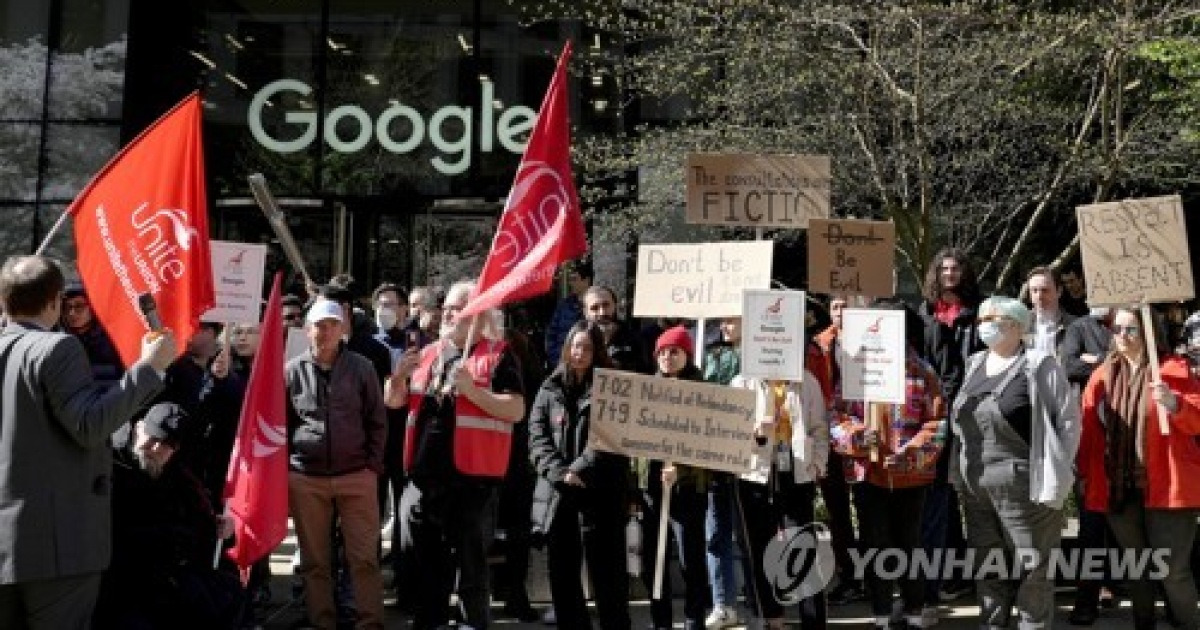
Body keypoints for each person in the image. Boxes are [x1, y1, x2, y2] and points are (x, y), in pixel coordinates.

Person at [0, 255, 175, 629]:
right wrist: (150, 367)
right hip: (55, 546)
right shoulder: (57, 348)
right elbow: (89, 424)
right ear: (55, 301)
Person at [389, 280, 526, 630]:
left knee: (472, 570)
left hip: (472, 482)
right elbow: (394, 402)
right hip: (424, 479)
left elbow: (516, 409)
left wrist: (472, 392)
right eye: (446, 308)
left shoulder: (498, 354)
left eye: (458, 308)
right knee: (425, 565)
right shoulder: (429, 352)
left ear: (479, 317)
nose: (449, 314)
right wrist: (397, 380)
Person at [950, 296, 1080, 629]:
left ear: (1016, 325)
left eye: (990, 319)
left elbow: (1068, 421)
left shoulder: (1039, 364)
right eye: (980, 320)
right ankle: (992, 622)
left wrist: (1059, 473)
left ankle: (1032, 624)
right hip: (975, 486)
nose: (982, 326)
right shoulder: (974, 363)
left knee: (1033, 565)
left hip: (1025, 482)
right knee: (987, 561)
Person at [1077, 307, 1200, 630]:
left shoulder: (1173, 368)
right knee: (1137, 568)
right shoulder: (1101, 376)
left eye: (1131, 329)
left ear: (1147, 331)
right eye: (1117, 329)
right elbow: (1088, 432)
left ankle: (1187, 622)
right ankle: (1143, 623)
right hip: (1118, 486)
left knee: (1173, 570)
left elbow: (1197, 419)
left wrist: (1175, 404)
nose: (1122, 336)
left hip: (1168, 486)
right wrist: (1084, 475)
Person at [829, 299, 946, 629]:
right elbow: (836, 415)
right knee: (875, 542)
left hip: (912, 476)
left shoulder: (923, 372)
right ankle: (881, 614)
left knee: (910, 542)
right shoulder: (855, 372)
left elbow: (937, 422)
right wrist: (856, 437)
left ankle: (915, 611)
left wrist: (911, 451)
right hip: (869, 473)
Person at [286, 297, 388, 630]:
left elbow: (377, 419)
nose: (326, 332)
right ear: (307, 329)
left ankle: (369, 622)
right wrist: (291, 468)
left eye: (332, 325)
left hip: (356, 475)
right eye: (319, 325)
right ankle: (322, 622)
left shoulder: (362, 367)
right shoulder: (291, 371)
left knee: (363, 559)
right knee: (316, 562)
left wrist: (371, 467)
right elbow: (283, 425)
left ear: (343, 329)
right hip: (307, 477)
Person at [95, 402, 241, 629]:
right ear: (139, 428)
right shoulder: (106, 461)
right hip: (116, 580)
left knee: (225, 596)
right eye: (153, 438)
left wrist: (221, 528)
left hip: (165, 575)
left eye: (166, 445)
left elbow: (201, 521)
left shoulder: (178, 473)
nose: (155, 448)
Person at [529, 321, 631, 630]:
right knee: (562, 572)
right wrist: (560, 471)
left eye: (587, 347)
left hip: (600, 494)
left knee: (608, 575)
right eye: (575, 346)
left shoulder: (613, 387)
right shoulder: (549, 388)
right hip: (559, 495)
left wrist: (580, 468)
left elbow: (611, 437)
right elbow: (536, 437)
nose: (580, 353)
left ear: (597, 351)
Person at [730, 338, 829, 630]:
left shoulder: (807, 382)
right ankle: (770, 619)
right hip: (755, 475)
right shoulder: (743, 383)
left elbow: (819, 428)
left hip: (796, 473)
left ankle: (813, 621)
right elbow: (731, 434)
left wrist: (817, 463)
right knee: (758, 548)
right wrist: (756, 432)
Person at [917, 248, 981, 606]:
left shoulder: (977, 313)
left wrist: (951, 402)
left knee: (965, 489)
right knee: (941, 491)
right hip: (932, 413)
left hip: (966, 406)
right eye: (943, 268)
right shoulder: (924, 313)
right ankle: (952, 572)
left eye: (956, 268)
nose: (950, 274)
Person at [639, 326, 712, 630]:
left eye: (674, 351)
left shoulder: (703, 392)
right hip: (652, 489)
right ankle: (661, 622)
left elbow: (709, 443)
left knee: (690, 559)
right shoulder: (646, 390)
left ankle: (694, 618)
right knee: (652, 561)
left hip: (687, 490)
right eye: (663, 352)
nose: (667, 357)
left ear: (687, 355)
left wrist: (681, 470)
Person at [1061, 307, 1118, 625]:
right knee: (1092, 526)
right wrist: (1103, 361)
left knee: (1139, 529)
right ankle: (1087, 599)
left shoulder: (1146, 323)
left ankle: (1149, 602)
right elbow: (1068, 365)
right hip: (1094, 441)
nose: (1125, 335)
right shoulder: (1080, 327)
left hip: (1135, 446)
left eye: (1131, 331)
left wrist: (1091, 358)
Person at [812, 295, 866, 606]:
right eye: (835, 306)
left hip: (864, 436)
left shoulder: (874, 338)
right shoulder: (818, 345)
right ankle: (849, 576)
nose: (840, 311)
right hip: (830, 436)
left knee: (868, 508)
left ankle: (874, 576)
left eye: (846, 305)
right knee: (838, 512)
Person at [702, 316, 742, 629]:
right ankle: (722, 602)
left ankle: (757, 604)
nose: (725, 326)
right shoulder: (711, 356)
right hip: (715, 455)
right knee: (716, 534)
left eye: (732, 321)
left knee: (749, 536)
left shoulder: (763, 357)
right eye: (723, 321)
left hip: (749, 458)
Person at [60, 281, 125, 386]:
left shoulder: (113, 339)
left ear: (92, 308)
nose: (72, 313)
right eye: (67, 307)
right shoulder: (60, 342)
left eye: (79, 306)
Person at [583, 285, 651, 374]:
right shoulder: (579, 340)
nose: (602, 313)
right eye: (594, 308)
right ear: (586, 313)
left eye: (606, 305)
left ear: (615, 306)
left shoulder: (635, 339)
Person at [1024, 265, 1077, 362]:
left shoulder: (1076, 326)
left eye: (1045, 290)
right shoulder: (1019, 326)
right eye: (1034, 290)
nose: (1039, 296)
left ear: (1059, 291)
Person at [544, 260, 592, 365]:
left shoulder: (595, 306)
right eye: (570, 280)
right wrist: (557, 359)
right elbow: (552, 334)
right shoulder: (564, 305)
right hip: (562, 363)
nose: (571, 283)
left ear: (586, 280)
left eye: (575, 279)